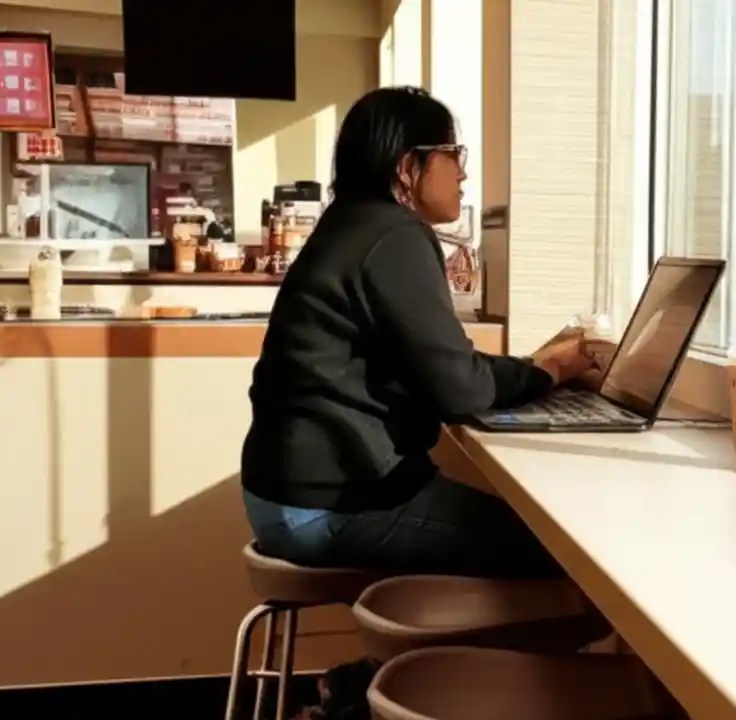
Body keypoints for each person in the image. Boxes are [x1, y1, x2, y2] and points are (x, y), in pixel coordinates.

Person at [241, 86, 593, 579]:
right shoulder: (394, 235)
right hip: (330, 508)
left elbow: (441, 365)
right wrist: (547, 371)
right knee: (570, 553)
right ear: (409, 167)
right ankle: (436, 637)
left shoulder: (349, 224)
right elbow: (460, 389)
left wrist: (531, 370)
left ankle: (422, 637)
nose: (463, 173)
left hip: (286, 495)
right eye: (453, 155)